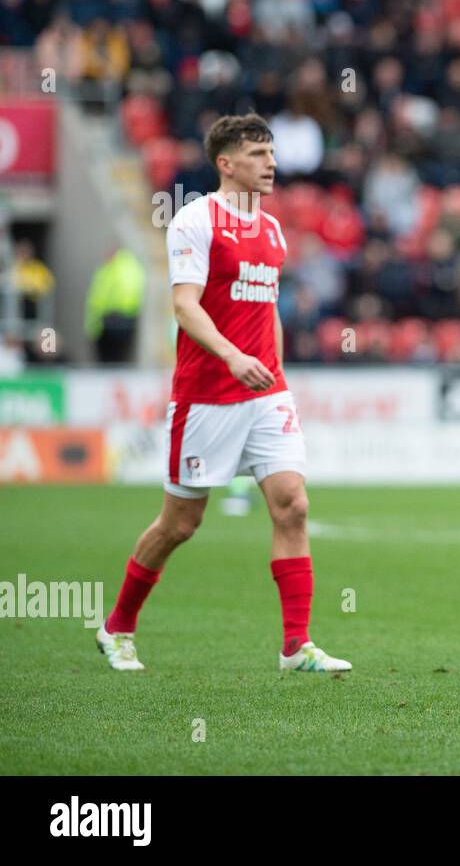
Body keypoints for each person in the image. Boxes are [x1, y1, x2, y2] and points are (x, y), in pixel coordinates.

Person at [97, 114, 351, 674]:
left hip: (266, 395)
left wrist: (276, 375)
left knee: (293, 504)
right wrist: (234, 357)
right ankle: (116, 628)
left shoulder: (273, 229)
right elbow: (185, 306)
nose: (271, 164)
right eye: (258, 154)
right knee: (180, 525)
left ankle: (295, 646)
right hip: (208, 394)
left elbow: (269, 310)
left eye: (272, 153)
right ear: (226, 164)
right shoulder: (194, 220)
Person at [85, 246, 145, 363]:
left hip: (112, 320)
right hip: (121, 319)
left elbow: (100, 298)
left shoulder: (114, 269)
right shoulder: (131, 266)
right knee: (116, 360)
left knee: (110, 360)